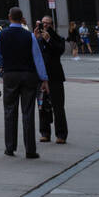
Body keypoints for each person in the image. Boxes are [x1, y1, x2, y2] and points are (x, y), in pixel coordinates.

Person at [0, 6, 49, 158]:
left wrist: (2, 67)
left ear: (10, 17)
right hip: (28, 74)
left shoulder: (2, 34)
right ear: (21, 17)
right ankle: (30, 149)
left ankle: (10, 147)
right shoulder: (29, 35)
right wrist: (44, 78)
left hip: (10, 73)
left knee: (10, 110)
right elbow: (37, 58)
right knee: (28, 111)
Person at [35, 15, 67, 144]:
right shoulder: (37, 38)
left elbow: (60, 50)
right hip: (41, 77)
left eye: (47, 23)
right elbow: (33, 53)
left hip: (55, 77)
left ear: (52, 25)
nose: (45, 25)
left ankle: (61, 134)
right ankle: (45, 133)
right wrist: (36, 38)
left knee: (58, 106)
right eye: (42, 23)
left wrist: (49, 40)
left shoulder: (57, 38)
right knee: (42, 106)